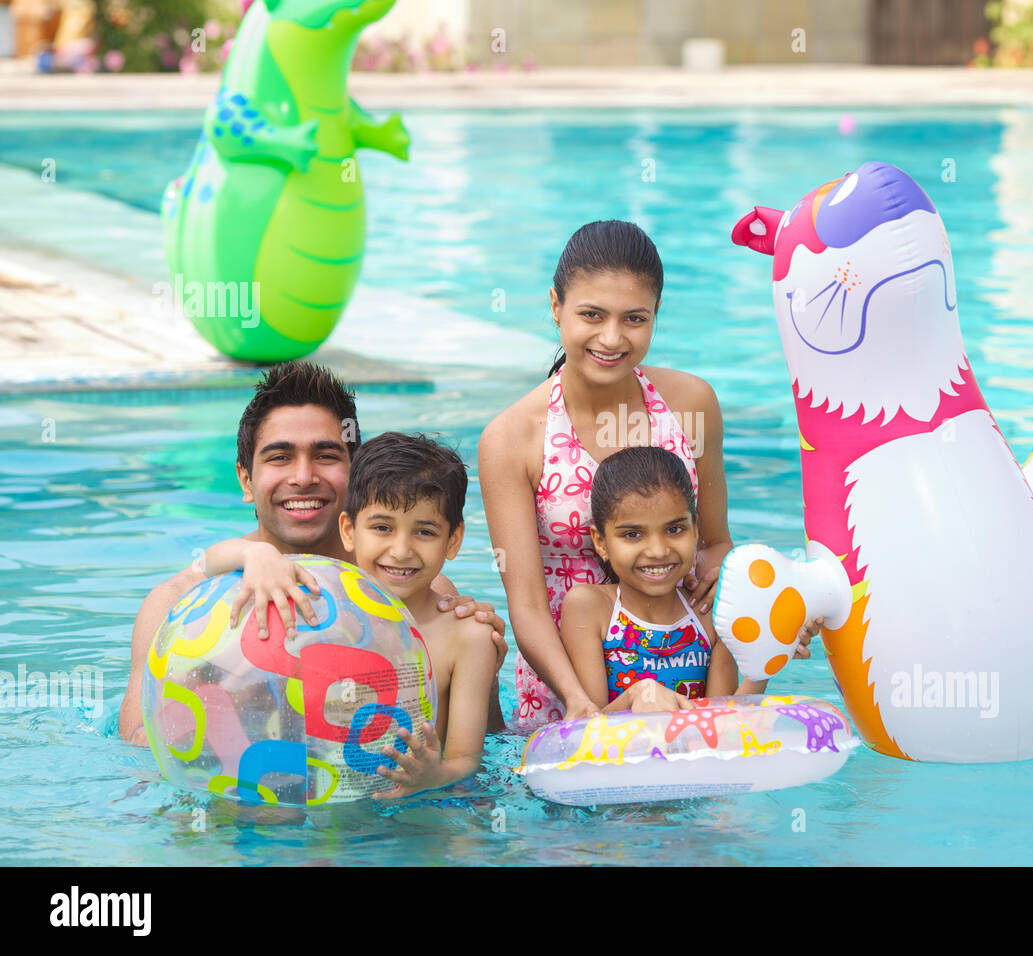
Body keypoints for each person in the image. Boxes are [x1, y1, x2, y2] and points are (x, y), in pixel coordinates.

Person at [119, 361, 506, 746]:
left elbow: (478, 750)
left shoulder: (412, 584)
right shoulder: (175, 604)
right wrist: (229, 698)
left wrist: (481, 668)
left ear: (355, 473)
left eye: (326, 455)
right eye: (279, 457)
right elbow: (139, 747)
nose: (304, 477)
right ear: (245, 479)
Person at [479, 220, 735, 731]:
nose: (612, 338)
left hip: (683, 677)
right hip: (566, 686)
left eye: (634, 319)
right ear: (556, 307)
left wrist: (758, 618)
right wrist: (583, 707)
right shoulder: (513, 438)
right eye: (591, 315)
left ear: (656, 315)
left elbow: (716, 544)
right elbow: (526, 604)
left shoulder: (691, 406)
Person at [204, 432, 497, 796]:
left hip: (418, 808)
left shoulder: (467, 636)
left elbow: (466, 759)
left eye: (424, 531)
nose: (401, 550)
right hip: (322, 794)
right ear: (348, 530)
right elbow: (208, 563)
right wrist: (257, 555)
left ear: (453, 540)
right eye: (382, 528)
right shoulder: (324, 609)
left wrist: (433, 777)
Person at [560, 446, 775, 712]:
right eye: (632, 534)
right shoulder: (590, 608)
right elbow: (585, 729)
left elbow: (723, 724)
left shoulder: (709, 612)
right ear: (600, 542)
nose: (658, 550)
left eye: (674, 529)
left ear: (695, 530)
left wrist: (767, 657)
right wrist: (636, 695)